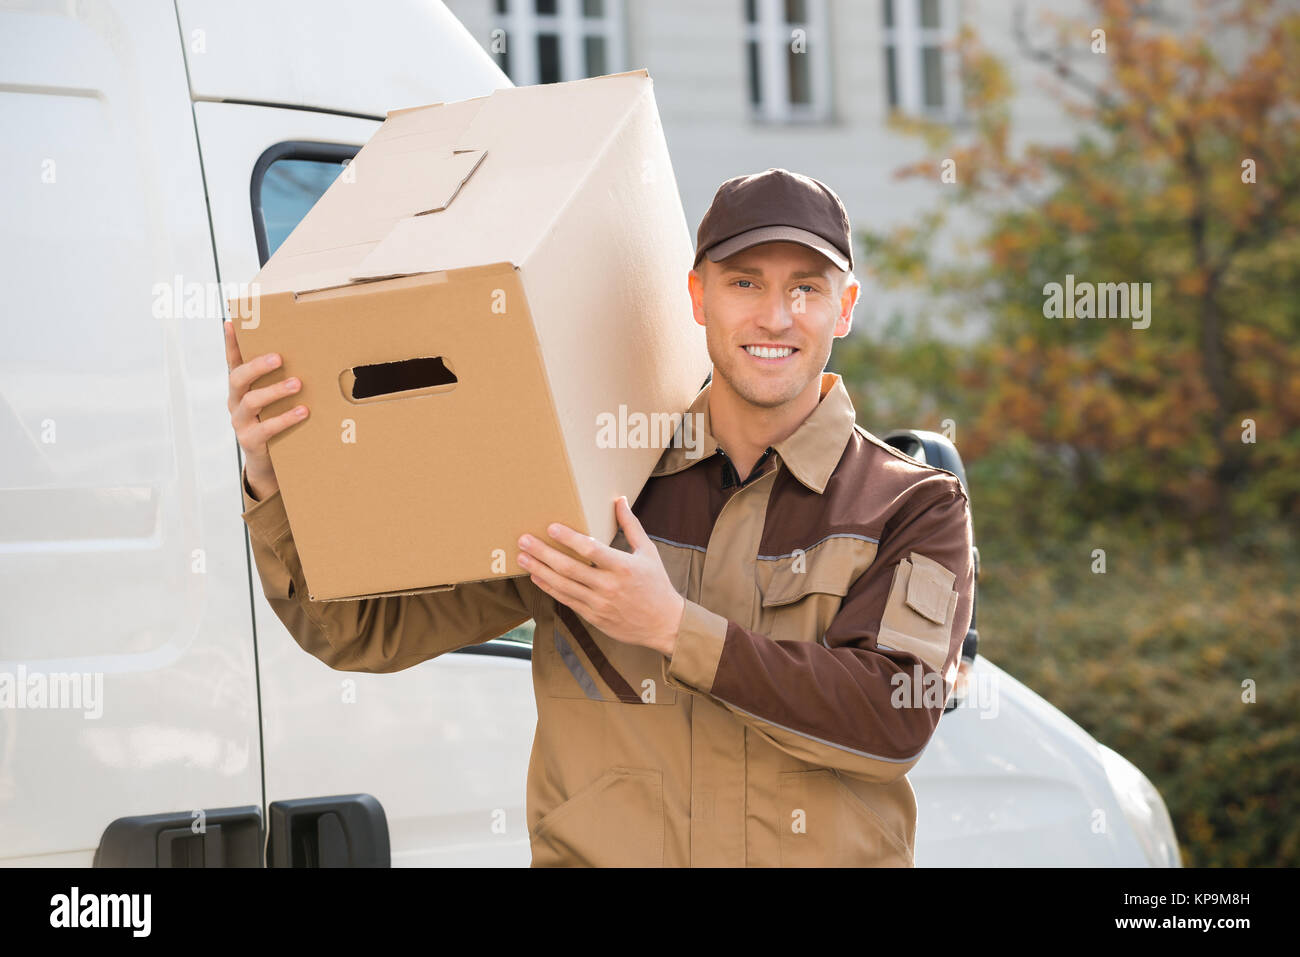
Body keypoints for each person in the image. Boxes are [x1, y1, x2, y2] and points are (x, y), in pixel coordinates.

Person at [225, 167, 975, 867]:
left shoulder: (912, 505)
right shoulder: (595, 476)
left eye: (806, 288)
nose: (776, 315)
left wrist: (669, 626)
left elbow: (893, 717)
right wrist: (275, 476)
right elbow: (360, 630)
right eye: (744, 281)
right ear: (696, 297)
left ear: (844, 308)